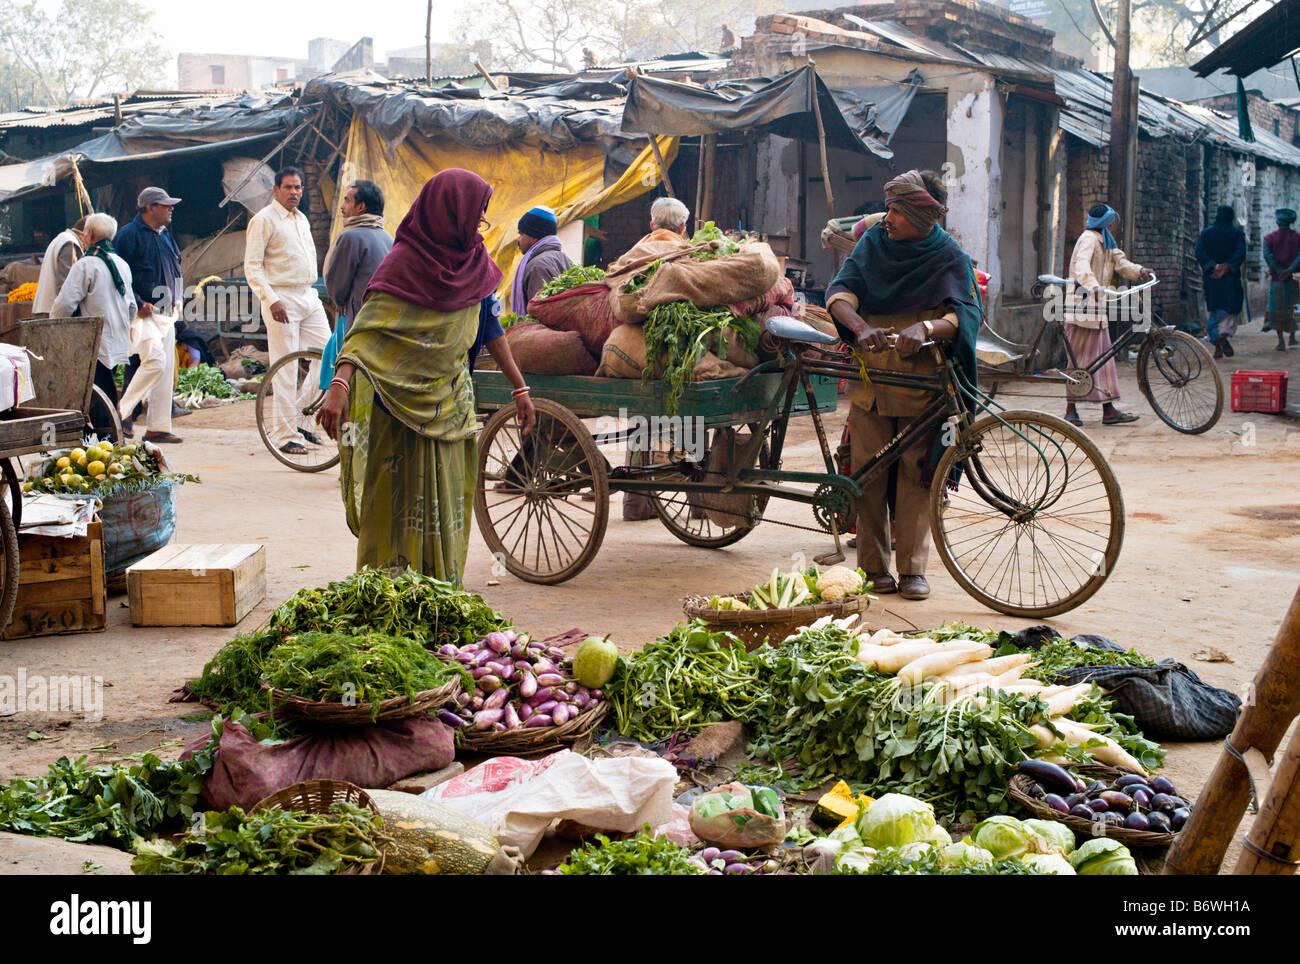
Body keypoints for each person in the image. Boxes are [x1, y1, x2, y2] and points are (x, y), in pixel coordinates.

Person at [316, 168, 535, 583]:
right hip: (397, 411)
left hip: (453, 408)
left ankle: (439, 591)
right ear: (447, 212)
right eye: (475, 214)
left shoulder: (477, 264)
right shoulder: (402, 264)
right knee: (399, 502)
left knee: (446, 502)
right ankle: (388, 589)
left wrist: (519, 387)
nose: (479, 224)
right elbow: (366, 332)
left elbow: (491, 328)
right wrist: (339, 384)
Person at [826, 169, 982, 602]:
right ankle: (873, 568)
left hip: (921, 386)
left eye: (896, 209)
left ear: (919, 214)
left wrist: (928, 327)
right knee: (868, 475)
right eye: (889, 208)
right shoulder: (874, 241)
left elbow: (965, 314)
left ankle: (913, 570)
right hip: (873, 380)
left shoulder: (949, 255)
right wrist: (857, 326)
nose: (887, 217)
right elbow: (840, 291)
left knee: (916, 477)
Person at [244, 166, 332, 456]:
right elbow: (252, 267)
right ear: (276, 190)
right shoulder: (263, 220)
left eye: (298, 188)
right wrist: (271, 299)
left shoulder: (302, 218)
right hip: (280, 296)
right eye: (288, 187)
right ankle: (285, 435)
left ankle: (301, 418)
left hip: (309, 295)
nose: (294, 192)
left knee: (328, 356)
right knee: (286, 367)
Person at [48, 213, 137, 440]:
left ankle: (106, 441)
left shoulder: (86, 264)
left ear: (89, 234)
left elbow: (64, 305)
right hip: (116, 340)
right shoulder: (122, 264)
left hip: (93, 343)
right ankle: (107, 438)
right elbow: (132, 308)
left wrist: (52, 328)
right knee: (104, 390)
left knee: (97, 395)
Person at [1062, 203, 1152, 426]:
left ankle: (1109, 410)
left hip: (1097, 310)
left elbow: (1121, 263)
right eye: (1112, 220)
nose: (1113, 224)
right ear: (1106, 222)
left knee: (1103, 362)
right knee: (1078, 361)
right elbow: (1081, 266)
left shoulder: (1106, 241)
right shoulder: (1088, 239)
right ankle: (1070, 409)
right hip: (1082, 308)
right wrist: (1092, 285)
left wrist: (1140, 271)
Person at [114, 186, 184, 443]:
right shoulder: (128, 235)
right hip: (142, 315)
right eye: (166, 205)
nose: (171, 209)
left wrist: (178, 299)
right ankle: (121, 411)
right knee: (154, 362)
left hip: (167, 313)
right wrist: (139, 302)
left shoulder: (165, 235)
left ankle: (158, 428)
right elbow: (118, 277)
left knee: (165, 370)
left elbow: (177, 267)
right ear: (150, 208)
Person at [323, 180, 393, 331]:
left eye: (347, 201)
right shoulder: (388, 237)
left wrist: (340, 301)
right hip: (384, 316)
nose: (342, 207)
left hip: (360, 316)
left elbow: (337, 286)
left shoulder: (351, 237)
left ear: (361, 207)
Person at [1194, 205, 1246, 359]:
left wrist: (1213, 266)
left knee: (1213, 310)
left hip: (1212, 279)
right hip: (1230, 279)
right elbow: (1240, 253)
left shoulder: (1206, 233)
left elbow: (1199, 252)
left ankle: (1216, 343)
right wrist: (1228, 266)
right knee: (1229, 312)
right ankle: (1222, 337)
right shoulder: (1237, 234)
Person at [511, 206, 571, 311]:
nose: (518, 239)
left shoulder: (537, 266)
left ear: (533, 237)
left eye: (521, 234)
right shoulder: (563, 258)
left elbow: (540, 313)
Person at [31, 216, 89, 316]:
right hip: (51, 313)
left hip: (47, 310)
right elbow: (66, 286)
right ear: (85, 233)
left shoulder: (62, 238)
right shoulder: (69, 243)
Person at [1263, 208, 1300, 352]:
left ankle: (1280, 341)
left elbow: (1268, 256)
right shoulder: (1297, 237)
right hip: (1293, 280)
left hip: (1277, 279)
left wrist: (1279, 271)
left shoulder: (1269, 238)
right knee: (1294, 308)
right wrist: (1290, 270)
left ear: (1277, 222)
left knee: (1277, 310)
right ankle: (1292, 336)